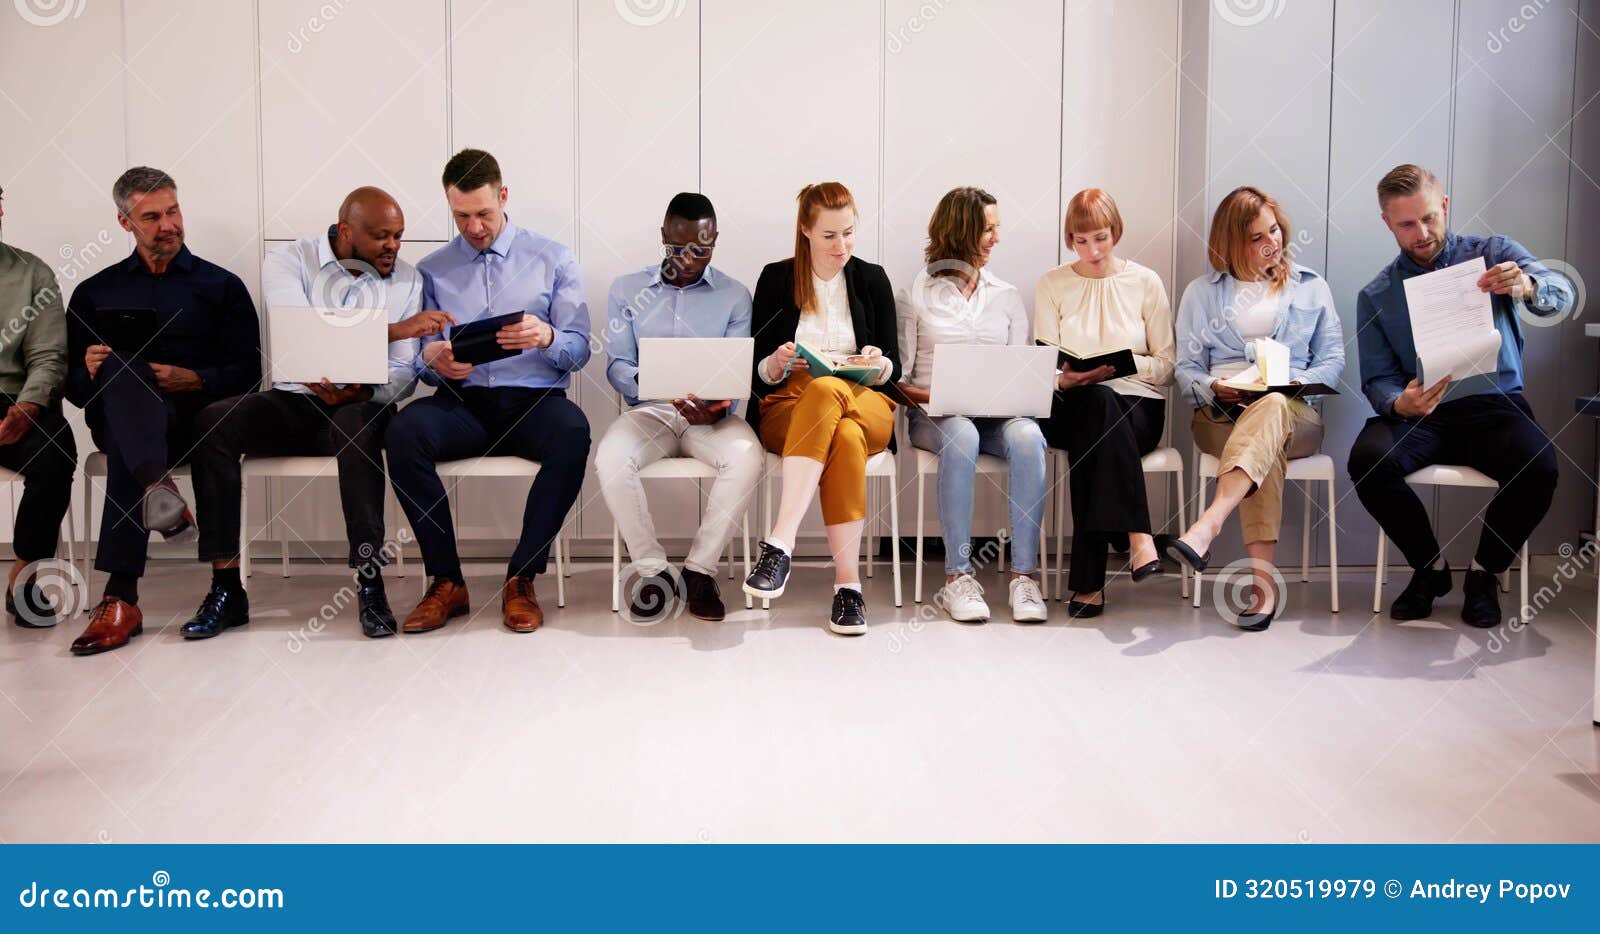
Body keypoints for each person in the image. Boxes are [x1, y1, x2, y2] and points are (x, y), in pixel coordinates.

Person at [185, 187, 446, 640]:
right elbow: (304, 337)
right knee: (213, 422)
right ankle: (226, 587)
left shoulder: (407, 280)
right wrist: (395, 329)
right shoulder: (290, 262)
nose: (393, 247)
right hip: (294, 400)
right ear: (347, 231)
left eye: (399, 236)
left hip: (362, 402)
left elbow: (404, 373)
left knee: (356, 424)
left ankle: (369, 581)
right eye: (381, 236)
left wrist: (362, 386)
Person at [1347, 163, 1569, 628]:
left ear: (1444, 206)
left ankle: (1485, 574)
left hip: (1494, 407)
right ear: (1387, 223)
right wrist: (1397, 403)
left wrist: (1527, 284)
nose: (1422, 232)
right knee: (1368, 459)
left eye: (1430, 217)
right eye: (1407, 224)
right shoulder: (1377, 294)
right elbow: (1377, 380)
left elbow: (1560, 295)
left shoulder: (1494, 253)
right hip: (1422, 416)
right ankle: (1430, 571)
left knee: (1540, 466)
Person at [385, 149, 591, 635]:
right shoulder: (432, 269)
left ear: (503, 197)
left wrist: (547, 338)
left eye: (483, 213)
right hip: (463, 405)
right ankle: (446, 581)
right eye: (461, 216)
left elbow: (580, 349)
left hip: (534, 404)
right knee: (403, 432)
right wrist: (434, 361)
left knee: (574, 432)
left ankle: (522, 577)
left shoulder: (554, 258)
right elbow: (421, 357)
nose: (474, 227)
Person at [65, 167, 261, 655]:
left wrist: (190, 378)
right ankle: (159, 486)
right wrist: (90, 372)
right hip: (124, 427)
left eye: (173, 211)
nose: (168, 224)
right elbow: (71, 389)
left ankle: (120, 598)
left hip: (195, 424)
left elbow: (249, 373)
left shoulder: (222, 286)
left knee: (134, 437)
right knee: (122, 371)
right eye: (151, 216)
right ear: (125, 222)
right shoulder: (94, 293)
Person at [1163, 186, 1344, 631]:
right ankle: (1263, 591)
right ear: (1231, 244)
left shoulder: (1311, 286)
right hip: (1220, 415)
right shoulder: (1201, 293)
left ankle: (1208, 525)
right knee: (1262, 444)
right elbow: (1185, 368)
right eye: (1257, 236)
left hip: (1294, 413)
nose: (1273, 242)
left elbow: (1334, 361)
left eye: (1275, 229)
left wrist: (1290, 384)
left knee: (1272, 407)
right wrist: (1215, 386)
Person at [740, 182, 900, 635]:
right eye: (830, 236)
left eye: (848, 233)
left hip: (865, 398)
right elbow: (756, 372)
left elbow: (896, 364)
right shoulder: (776, 278)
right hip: (789, 404)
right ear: (806, 230)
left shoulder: (872, 278)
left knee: (830, 391)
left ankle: (780, 542)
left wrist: (879, 360)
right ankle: (848, 589)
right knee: (841, 432)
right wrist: (772, 363)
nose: (841, 245)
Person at [596, 192, 761, 623]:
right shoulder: (626, 288)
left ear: (716, 240)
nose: (689, 260)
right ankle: (653, 571)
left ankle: (699, 572)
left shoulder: (735, 295)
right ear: (663, 237)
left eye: (701, 250)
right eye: (678, 249)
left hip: (710, 418)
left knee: (747, 457)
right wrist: (646, 383)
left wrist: (720, 406)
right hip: (650, 410)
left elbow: (735, 369)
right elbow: (616, 364)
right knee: (611, 460)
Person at [897, 186, 1047, 623]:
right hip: (935, 417)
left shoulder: (1006, 294)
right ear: (961, 232)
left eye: (997, 228)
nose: (995, 238)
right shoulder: (916, 293)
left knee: (1028, 436)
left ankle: (1024, 577)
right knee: (961, 429)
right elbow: (899, 382)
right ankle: (958, 578)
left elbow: (1022, 370)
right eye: (987, 229)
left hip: (998, 418)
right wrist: (942, 394)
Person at [1036, 188, 1175, 618]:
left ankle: (1088, 585)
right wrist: (1068, 378)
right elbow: (1040, 367)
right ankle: (1138, 535)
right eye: (1081, 241)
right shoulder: (1052, 283)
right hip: (1069, 405)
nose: (1092, 250)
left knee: (1097, 431)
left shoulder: (1146, 282)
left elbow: (1168, 366)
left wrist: (1125, 366)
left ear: (1116, 231)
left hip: (1138, 408)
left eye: (1101, 237)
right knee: (1095, 402)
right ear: (1069, 239)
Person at [0, 184, 78, 628]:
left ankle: (23, 578)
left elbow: (49, 354)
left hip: (15, 399)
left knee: (56, 446)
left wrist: (28, 406)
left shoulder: (33, 274)